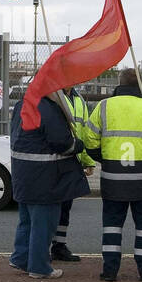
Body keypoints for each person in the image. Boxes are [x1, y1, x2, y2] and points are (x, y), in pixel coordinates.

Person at [83, 68, 142, 282]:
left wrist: (104, 158)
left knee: (112, 226)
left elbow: (88, 140)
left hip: (113, 179)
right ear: (139, 86)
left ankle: (109, 270)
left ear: (119, 83)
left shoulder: (104, 106)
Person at [9, 82, 89, 279]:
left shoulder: (22, 104)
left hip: (23, 172)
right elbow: (61, 142)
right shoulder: (48, 108)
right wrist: (78, 145)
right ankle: (39, 267)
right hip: (46, 176)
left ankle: (20, 258)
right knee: (44, 223)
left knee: (26, 221)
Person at [51, 85, 95, 262]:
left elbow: (83, 132)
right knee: (51, 207)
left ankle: (59, 246)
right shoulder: (53, 97)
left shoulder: (79, 99)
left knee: (65, 206)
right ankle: (43, 246)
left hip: (72, 159)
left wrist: (87, 160)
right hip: (54, 160)